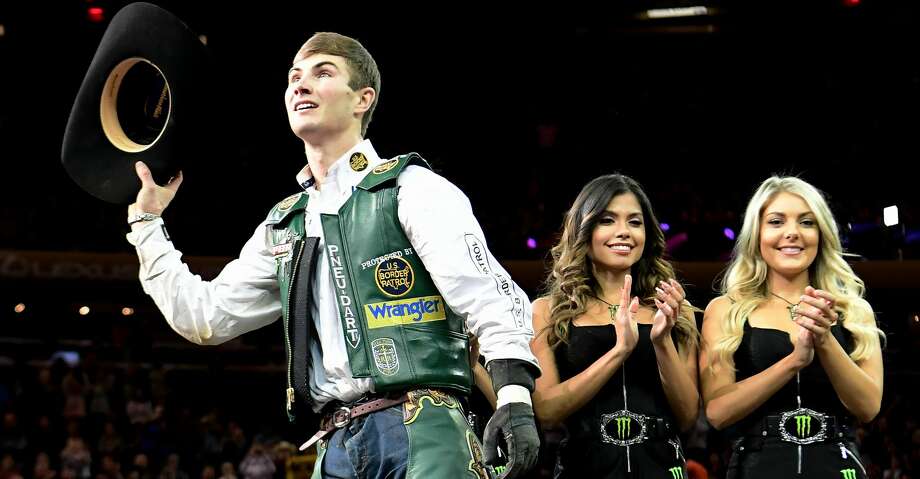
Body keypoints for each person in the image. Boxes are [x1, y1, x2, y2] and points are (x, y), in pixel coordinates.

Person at [124, 32, 539, 478]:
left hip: (424, 427)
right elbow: (205, 318)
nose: (300, 85)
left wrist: (514, 398)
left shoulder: (411, 188)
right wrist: (147, 224)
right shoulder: (285, 223)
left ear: (363, 99)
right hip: (334, 441)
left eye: (323, 73)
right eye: (294, 78)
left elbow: (489, 297)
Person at [700, 176, 884, 478]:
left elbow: (868, 407)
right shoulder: (725, 310)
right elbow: (717, 413)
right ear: (757, 233)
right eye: (776, 222)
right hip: (757, 468)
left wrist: (825, 340)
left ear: (821, 234)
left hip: (838, 467)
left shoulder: (854, 311)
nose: (792, 233)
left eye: (806, 222)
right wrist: (794, 362)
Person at [529, 174, 700, 478]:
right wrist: (619, 351)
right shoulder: (547, 311)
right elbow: (546, 412)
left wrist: (662, 341)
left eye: (635, 222)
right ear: (584, 229)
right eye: (607, 220)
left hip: (661, 467)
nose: (624, 232)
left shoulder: (674, 308)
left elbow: (687, 416)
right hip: (583, 468)